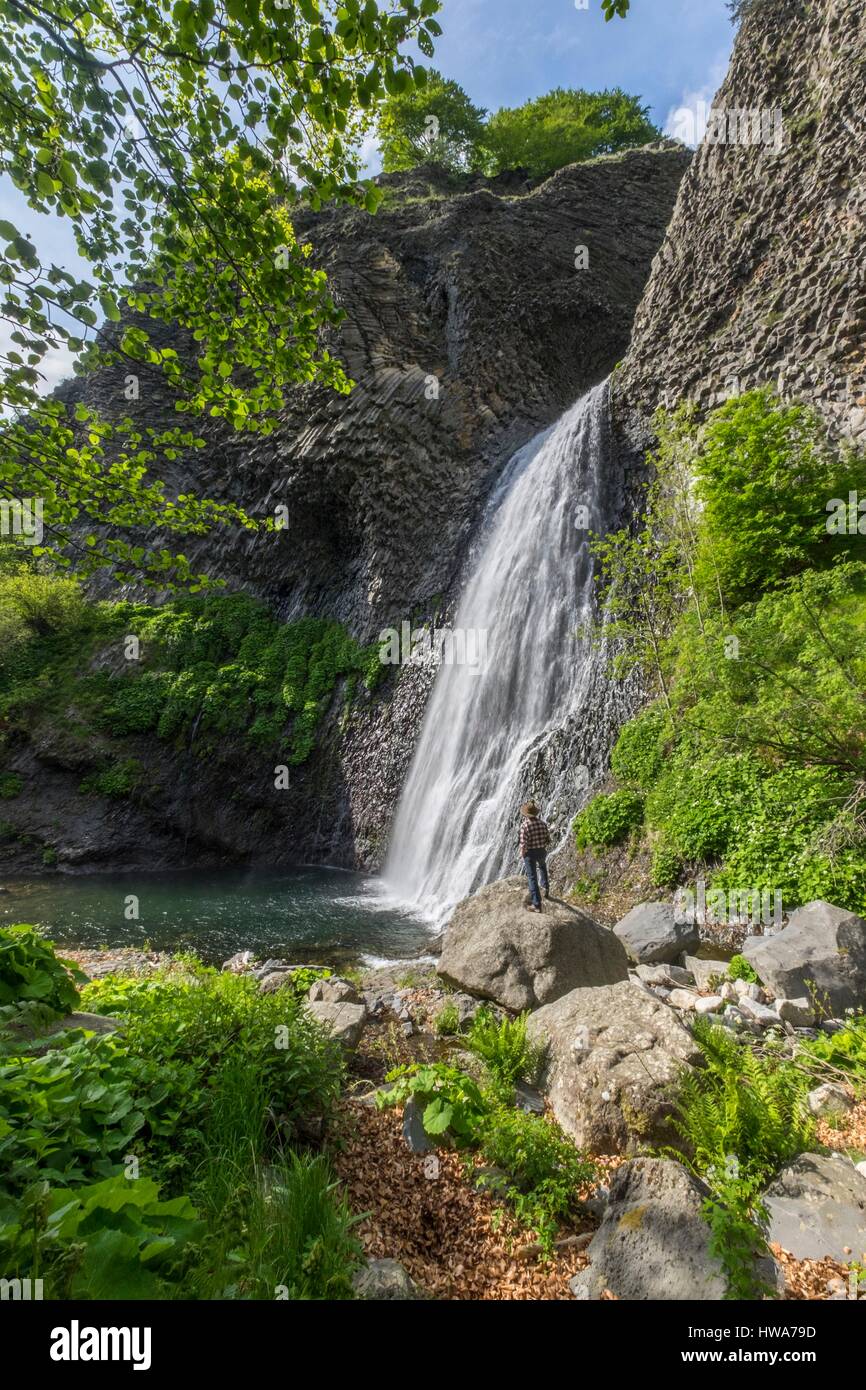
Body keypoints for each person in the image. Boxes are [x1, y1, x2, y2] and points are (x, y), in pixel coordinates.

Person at [519, 800, 550, 913]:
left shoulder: (525, 826)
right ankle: (545, 889)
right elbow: (548, 839)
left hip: (530, 853)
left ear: (526, 814)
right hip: (541, 850)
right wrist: (542, 845)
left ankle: (536, 904)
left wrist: (522, 853)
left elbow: (523, 844)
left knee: (532, 877)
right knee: (542, 868)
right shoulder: (543, 824)